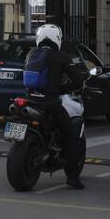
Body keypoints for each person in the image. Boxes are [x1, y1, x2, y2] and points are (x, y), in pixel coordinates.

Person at [22, 23, 86, 189]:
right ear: (57, 38)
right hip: (50, 103)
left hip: (29, 101)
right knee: (71, 134)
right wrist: (62, 89)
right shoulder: (61, 56)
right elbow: (78, 80)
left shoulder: (31, 53)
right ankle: (72, 177)